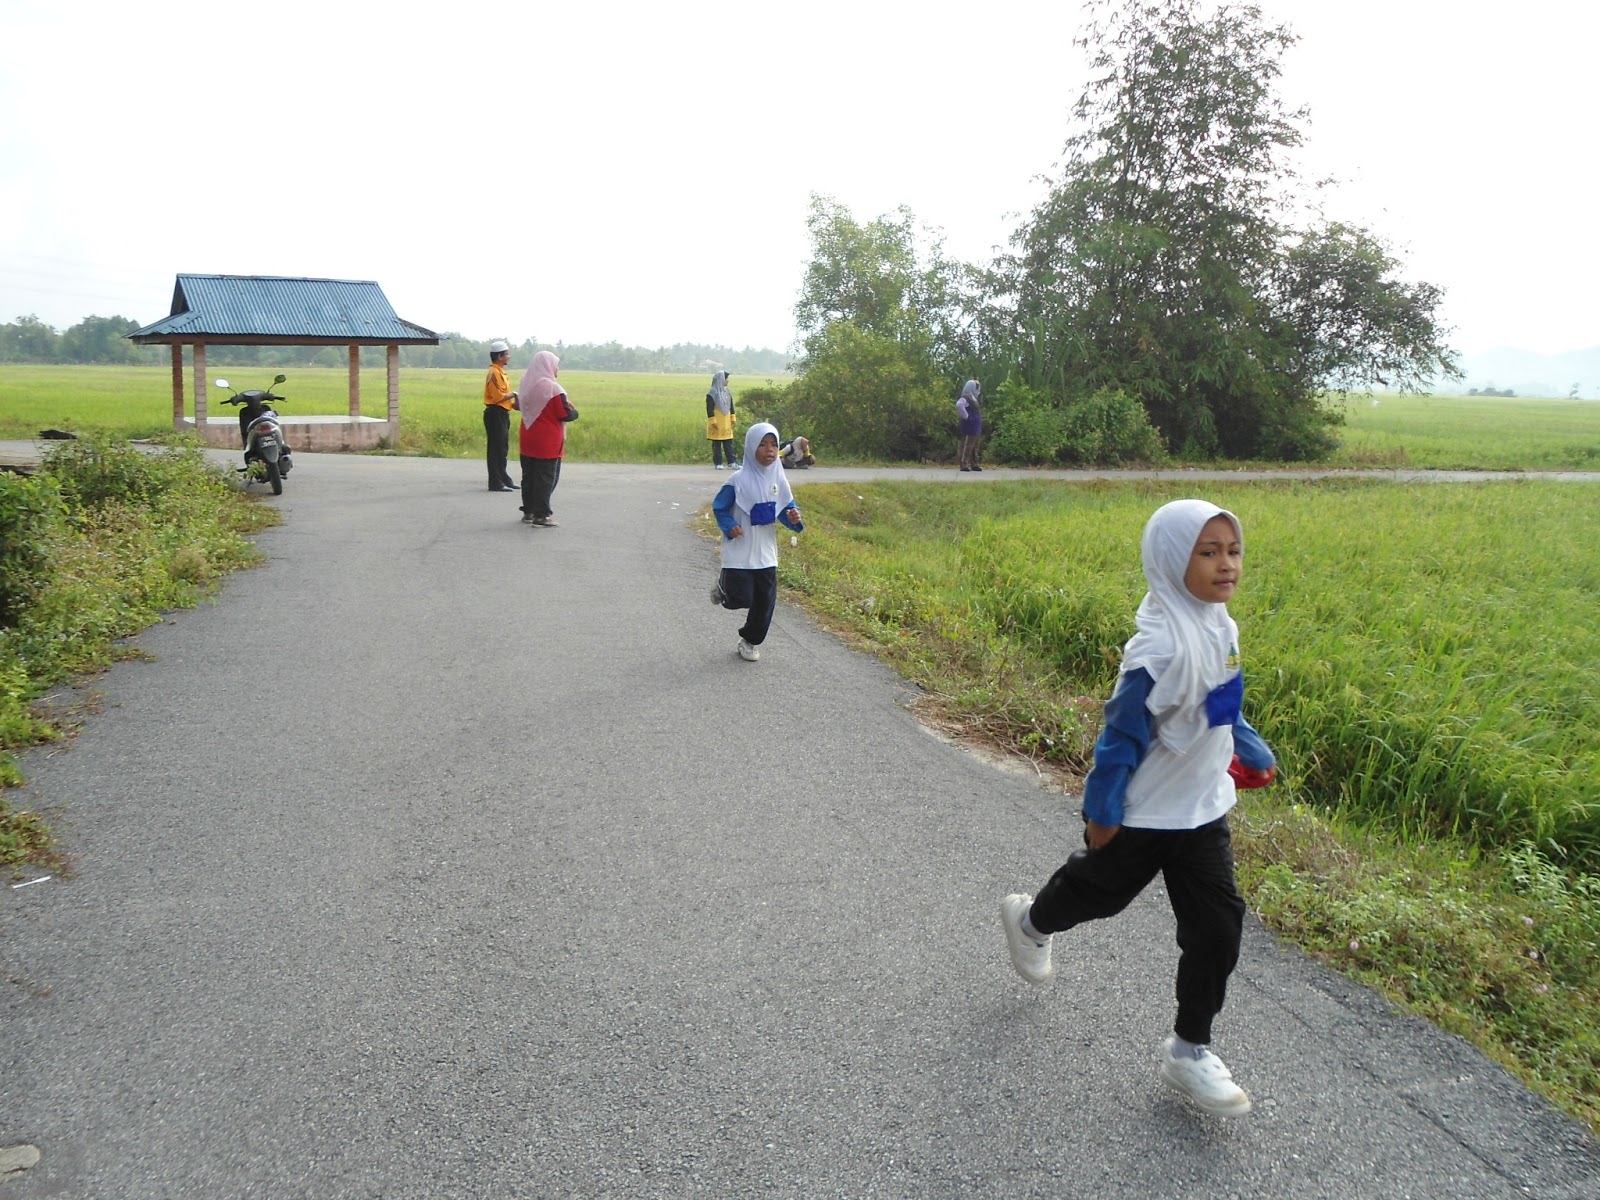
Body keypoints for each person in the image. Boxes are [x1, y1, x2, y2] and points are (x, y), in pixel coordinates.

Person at [999, 498, 1277, 1118]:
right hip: (1146, 812)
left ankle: (1189, 1051)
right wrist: (1102, 810)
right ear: (1171, 561)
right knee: (1101, 893)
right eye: (1208, 553)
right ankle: (1030, 922)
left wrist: (1251, 750)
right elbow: (1119, 736)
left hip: (1202, 810)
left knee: (1217, 927)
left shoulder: (1219, 624)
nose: (1226, 565)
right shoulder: (1156, 649)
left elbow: (1224, 703)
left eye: (1232, 551)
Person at [709, 422, 804, 662]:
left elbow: (785, 507)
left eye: (773, 444)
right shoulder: (736, 481)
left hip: (765, 553)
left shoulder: (779, 479)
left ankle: (750, 641)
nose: (769, 450)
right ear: (751, 447)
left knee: (765, 602)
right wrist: (730, 526)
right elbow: (720, 508)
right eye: (762, 445)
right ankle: (723, 588)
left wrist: (794, 518)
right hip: (740, 550)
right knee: (741, 598)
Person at [515, 351, 578, 527]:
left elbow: (519, 405)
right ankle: (541, 516)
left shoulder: (526, 383)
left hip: (528, 436)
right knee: (546, 477)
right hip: (547, 441)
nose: (557, 369)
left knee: (529, 476)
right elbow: (563, 414)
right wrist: (575, 412)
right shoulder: (553, 388)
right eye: (556, 365)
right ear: (548, 366)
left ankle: (528, 512)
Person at [483, 339, 519, 492]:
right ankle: (495, 483)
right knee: (496, 449)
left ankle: (504, 479)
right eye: (506, 354)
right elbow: (498, 396)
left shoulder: (500, 372)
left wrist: (514, 403)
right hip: (495, 414)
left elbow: (504, 397)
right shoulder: (494, 373)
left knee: (502, 449)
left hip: (502, 413)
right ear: (499, 356)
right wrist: (515, 394)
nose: (509, 356)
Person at [706, 371, 737, 469]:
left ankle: (731, 462)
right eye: (726, 378)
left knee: (728, 443)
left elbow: (731, 406)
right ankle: (718, 463)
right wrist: (713, 421)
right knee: (717, 445)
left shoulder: (727, 392)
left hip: (727, 422)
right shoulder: (712, 393)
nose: (728, 380)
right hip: (717, 422)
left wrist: (733, 418)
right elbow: (709, 409)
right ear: (721, 379)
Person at [956, 380, 983, 471]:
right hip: (969, 426)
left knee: (975, 446)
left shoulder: (974, 398)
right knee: (966, 445)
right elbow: (959, 405)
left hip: (975, 426)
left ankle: (974, 464)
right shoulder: (965, 398)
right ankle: (963, 464)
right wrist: (966, 416)